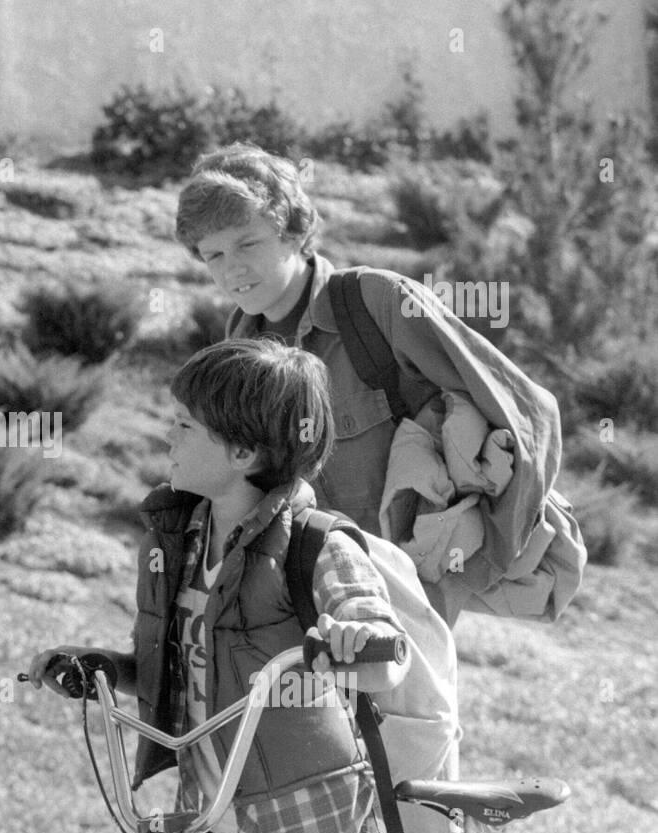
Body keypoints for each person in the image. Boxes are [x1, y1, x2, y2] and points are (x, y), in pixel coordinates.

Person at [28, 338, 410, 833]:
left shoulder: (315, 544)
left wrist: (356, 637)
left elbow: (384, 654)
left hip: (307, 830)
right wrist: (107, 672)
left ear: (242, 452)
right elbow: (181, 672)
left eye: (185, 425)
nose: (169, 436)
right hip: (206, 825)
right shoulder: (179, 543)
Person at [174, 142, 571, 627]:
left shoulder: (376, 303)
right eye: (212, 254)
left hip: (403, 603)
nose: (231, 268)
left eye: (247, 243)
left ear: (294, 231)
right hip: (308, 604)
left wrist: (464, 574)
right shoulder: (240, 343)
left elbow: (531, 415)